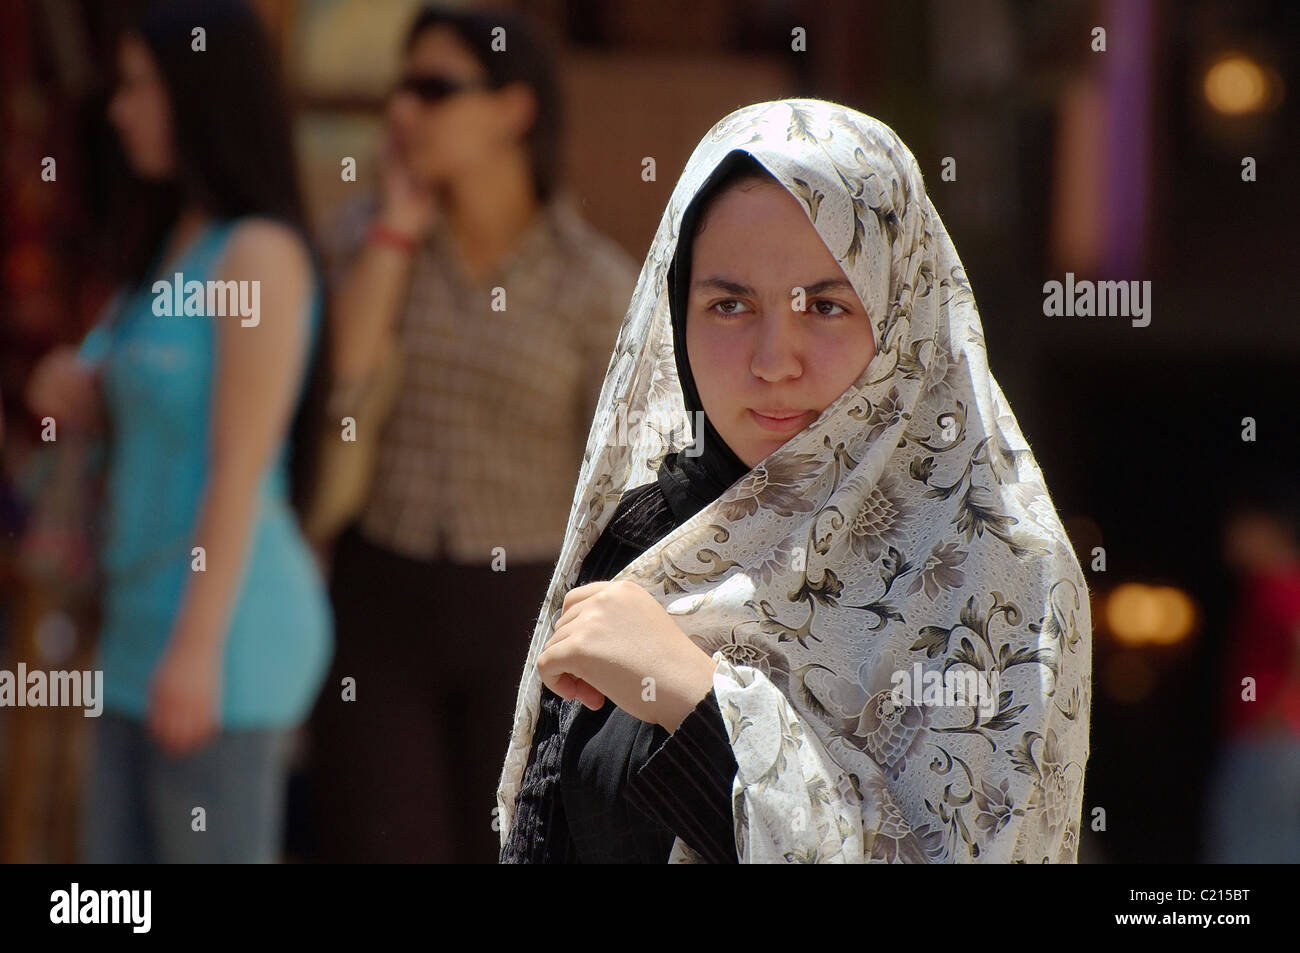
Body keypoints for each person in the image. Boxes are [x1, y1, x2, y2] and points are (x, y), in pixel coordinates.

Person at [498, 99, 1093, 863]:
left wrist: (698, 696)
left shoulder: (997, 568)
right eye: (729, 303)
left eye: (825, 304)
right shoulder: (652, 534)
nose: (774, 359)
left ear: (900, 315)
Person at [306, 4, 637, 863]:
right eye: (398, 89)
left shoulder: (593, 281)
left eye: (434, 88)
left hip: (524, 612)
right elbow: (336, 380)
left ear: (512, 109)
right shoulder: (364, 239)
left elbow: (628, 479)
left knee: (509, 846)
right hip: (378, 595)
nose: (403, 112)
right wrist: (394, 229)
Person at [26, 0, 331, 863]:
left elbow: (242, 461)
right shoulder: (171, 241)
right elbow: (123, 382)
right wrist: (74, 384)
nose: (120, 109)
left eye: (139, 87)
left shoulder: (257, 254)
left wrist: (197, 651)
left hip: (222, 634)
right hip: (137, 622)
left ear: (201, 95)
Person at [1204, 469, 1300, 862]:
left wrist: (1279, 713)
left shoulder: (1283, 583)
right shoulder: (1265, 585)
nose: (1231, 538)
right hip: (1268, 742)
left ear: (1269, 528)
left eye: (1241, 527)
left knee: (1252, 848)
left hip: (1273, 746)